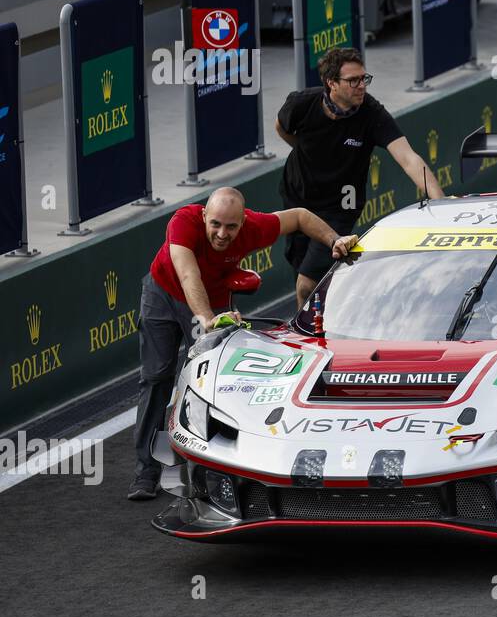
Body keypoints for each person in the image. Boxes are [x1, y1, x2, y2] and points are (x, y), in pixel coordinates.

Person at [128, 187, 358, 499]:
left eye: (232, 226)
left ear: (243, 223)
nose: (223, 234)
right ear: (204, 216)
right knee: (156, 378)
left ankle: (212, 469)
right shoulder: (183, 222)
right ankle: (146, 471)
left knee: (210, 381)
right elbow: (187, 275)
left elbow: (301, 217)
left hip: (213, 300)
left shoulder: (256, 227)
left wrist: (335, 240)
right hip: (164, 293)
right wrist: (207, 318)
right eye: (216, 225)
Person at [276, 47, 443, 306]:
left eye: (364, 78)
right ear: (331, 83)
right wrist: (306, 152)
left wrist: (441, 203)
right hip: (297, 200)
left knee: (306, 285)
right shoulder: (301, 103)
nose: (361, 86)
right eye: (353, 80)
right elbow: (282, 127)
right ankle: (329, 323)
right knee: (311, 279)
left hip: (339, 208)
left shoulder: (372, 114)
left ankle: (304, 342)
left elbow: (409, 159)